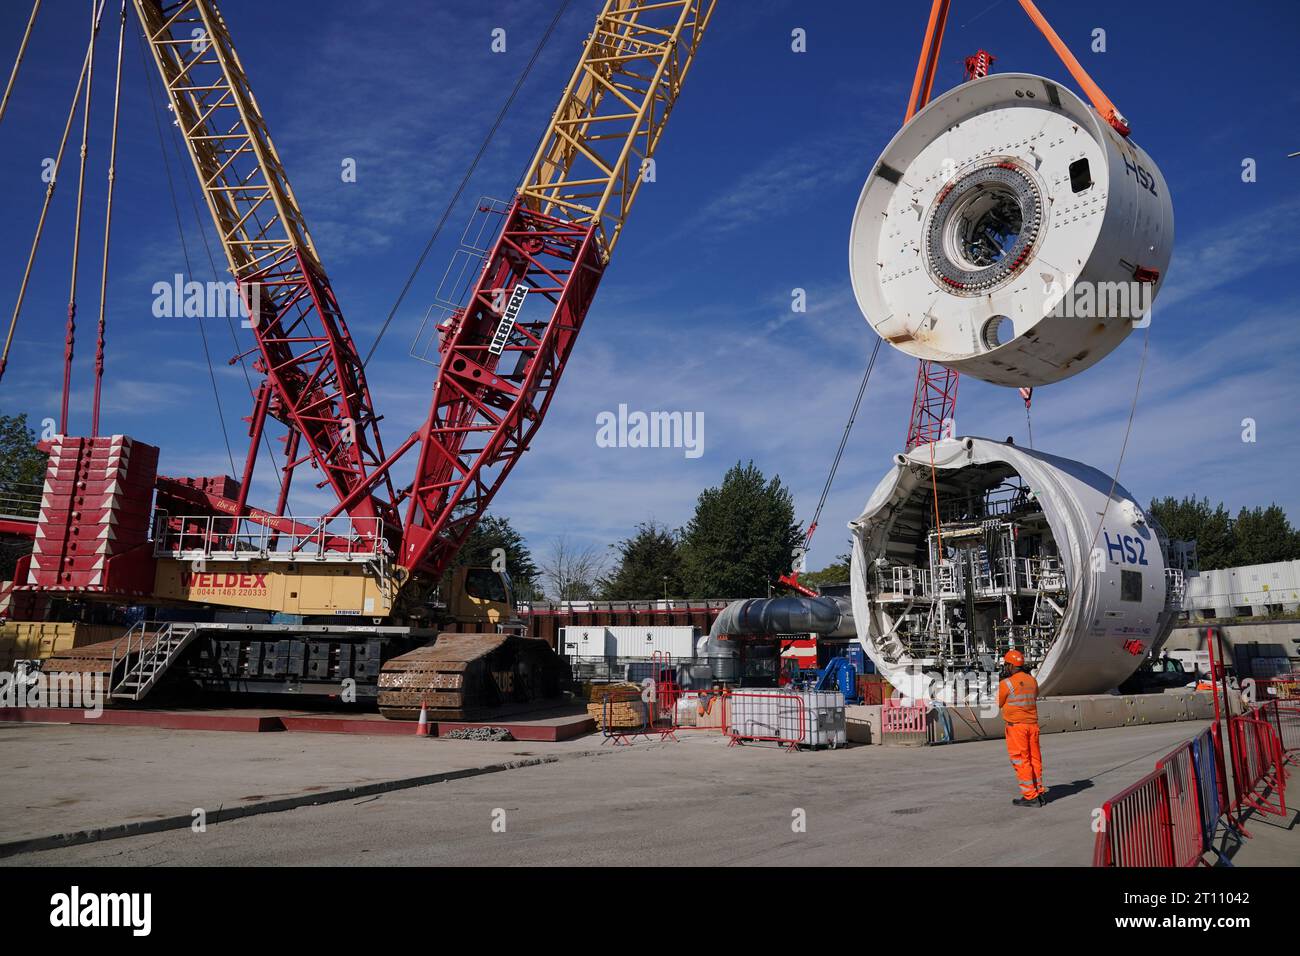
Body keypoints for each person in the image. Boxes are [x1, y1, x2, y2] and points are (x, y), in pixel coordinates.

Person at [998, 649, 1046, 807]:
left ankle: (1030, 796)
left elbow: (999, 703)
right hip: (1032, 726)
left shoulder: (1006, 684)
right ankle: (1038, 792)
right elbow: (1034, 696)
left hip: (1017, 728)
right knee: (1035, 759)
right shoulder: (1032, 681)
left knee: (1021, 760)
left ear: (1011, 666)